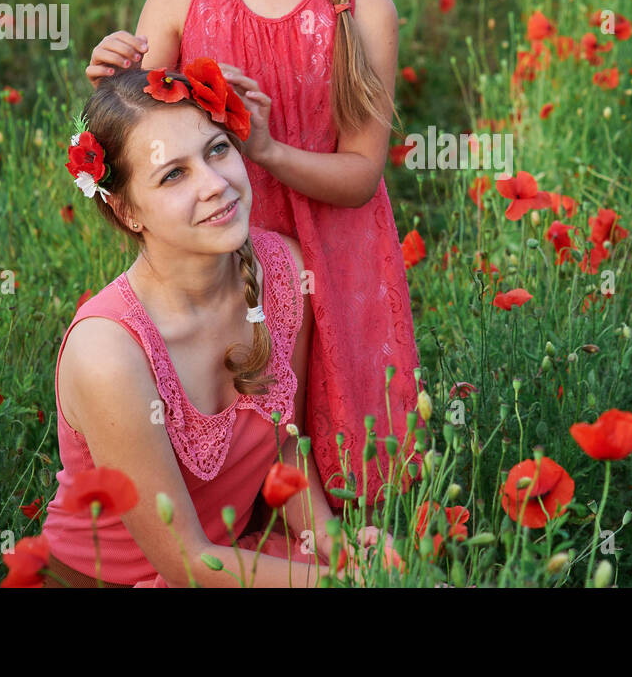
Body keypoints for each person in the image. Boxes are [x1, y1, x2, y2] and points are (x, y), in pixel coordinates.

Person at [86, 0, 421, 512]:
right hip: (219, 254)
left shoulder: (362, 13)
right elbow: (137, 129)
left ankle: (354, 553)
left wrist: (267, 150)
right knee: (244, 447)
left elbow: (362, 174)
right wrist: (115, 75)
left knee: (339, 446)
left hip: (334, 263)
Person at [42, 59, 388, 587]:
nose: (215, 184)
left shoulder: (284, 272)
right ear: (126, 210)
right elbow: (183, 562)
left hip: (227, 560)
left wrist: (340, 554)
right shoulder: (109, 352)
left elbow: (284, 447)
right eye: (173, 174)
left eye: (217, 149)